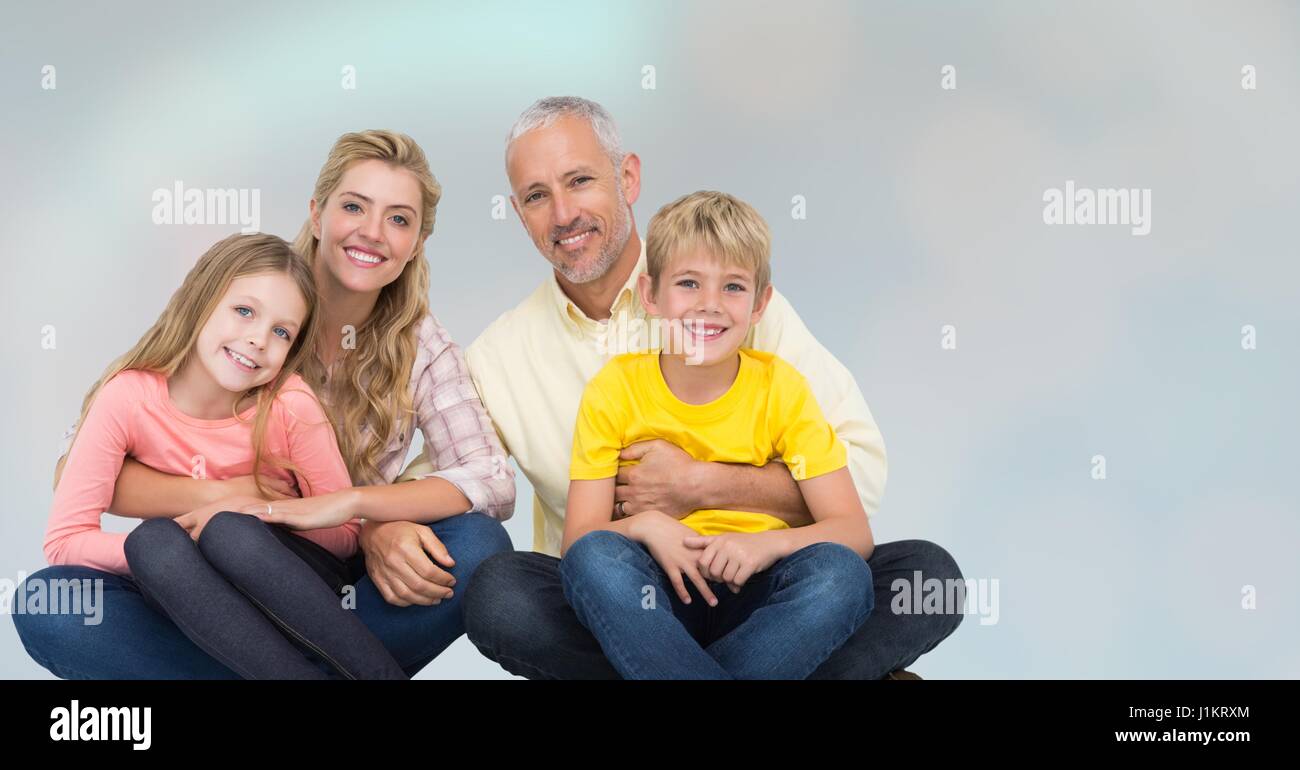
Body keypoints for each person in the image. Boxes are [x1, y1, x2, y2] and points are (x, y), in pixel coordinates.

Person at [456, 96, 962, 679]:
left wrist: (700, 485)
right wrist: (385, 521)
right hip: (628, 601)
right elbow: (466, 481)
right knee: (501, 595)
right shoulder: (500, 356)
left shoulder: (739, 312)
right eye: (537, 195)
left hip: (767, 589)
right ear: (518, 212)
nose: (564, 212)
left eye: (580, 180)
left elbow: (861, 481)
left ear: (628, 177)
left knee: (927, 581)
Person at [18, 131, 515, 679]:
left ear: (417, 243)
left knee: (477, 544)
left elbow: (490, 478)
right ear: (317, 213)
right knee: (55, 602)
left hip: (327, 582)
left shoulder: (404, 351)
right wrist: (225, 497)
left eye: (398, 219)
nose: (373, 232)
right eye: (354, 206)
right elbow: (75, 475)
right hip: (185, 575)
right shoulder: (245, 289)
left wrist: (366, 513)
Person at [29, 232, 405, 679]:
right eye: (244, 311)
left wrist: (257, 512)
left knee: (229, 533)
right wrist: (196, 536)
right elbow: (66, 539)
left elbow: (344, 534)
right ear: (201, 299)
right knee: (152, 544)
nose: (259, 339)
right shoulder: (128, 397)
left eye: (281, 332)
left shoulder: (289, 404)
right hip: (192, 600)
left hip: (294, 591)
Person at [561, 190, 875, 679]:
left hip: (760, 593)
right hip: (656, 597)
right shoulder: (614, 389)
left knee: (844, 577)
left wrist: (767, 547)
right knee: (588, 562)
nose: (709, 305)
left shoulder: (781, 389)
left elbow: (853, 530)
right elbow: (579, 540)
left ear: (760, 304)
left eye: (733, 287)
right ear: (650, 295)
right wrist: (646, 526)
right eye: (689, 283)